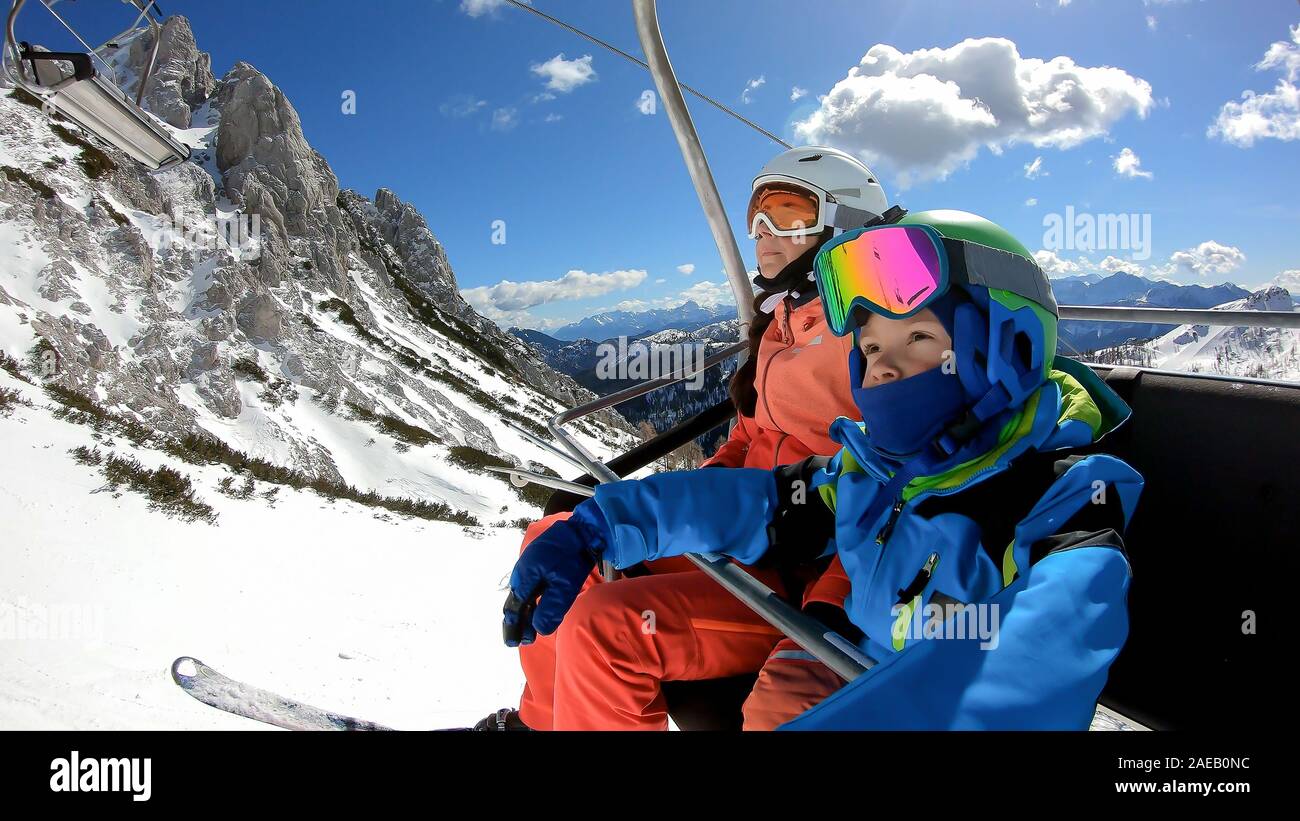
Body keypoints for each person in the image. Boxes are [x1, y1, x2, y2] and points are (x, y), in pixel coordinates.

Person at [503, 209, 1144, 730]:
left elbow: (1051, 644)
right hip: (850, 657)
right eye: (870, 348)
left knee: (784, 701)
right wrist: (602, 523)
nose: (885, 368)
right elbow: (753, 503)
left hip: (936, 696)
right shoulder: (866, 472)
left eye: (919, 339)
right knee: (782, 694)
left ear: (1007, 345)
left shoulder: (1062, 492)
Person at [476, 146, 889, 731]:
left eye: (789, 212)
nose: (764, 232)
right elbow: (745, 443)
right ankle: (544, 722)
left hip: (804, 565)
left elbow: (887, 486)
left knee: (609, 627)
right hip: (744, 533)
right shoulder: (781, 325)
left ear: (847, 224)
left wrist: (831, 611)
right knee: (552, 530)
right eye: (756, 216)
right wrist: (687, 510)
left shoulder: (877, 336)